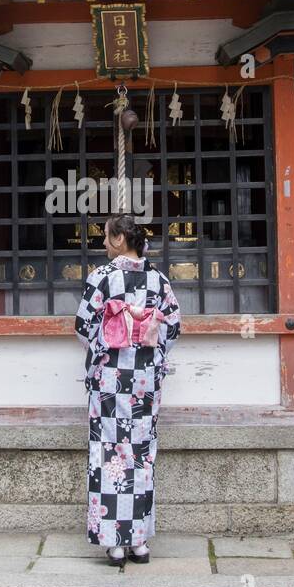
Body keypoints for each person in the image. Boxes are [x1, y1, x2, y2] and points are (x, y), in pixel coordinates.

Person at [73, 213, 181, 565]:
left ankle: (114, 543)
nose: (103, 243)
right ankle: (140, 542)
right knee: (142, 453)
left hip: (109, 380)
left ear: (120, 239)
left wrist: (111, 342)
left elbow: (83, 325)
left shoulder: (102, 278)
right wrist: (146, 347)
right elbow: (173, 327)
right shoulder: (159, 279)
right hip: (146, 379)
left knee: (109, 454)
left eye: (106, 237)